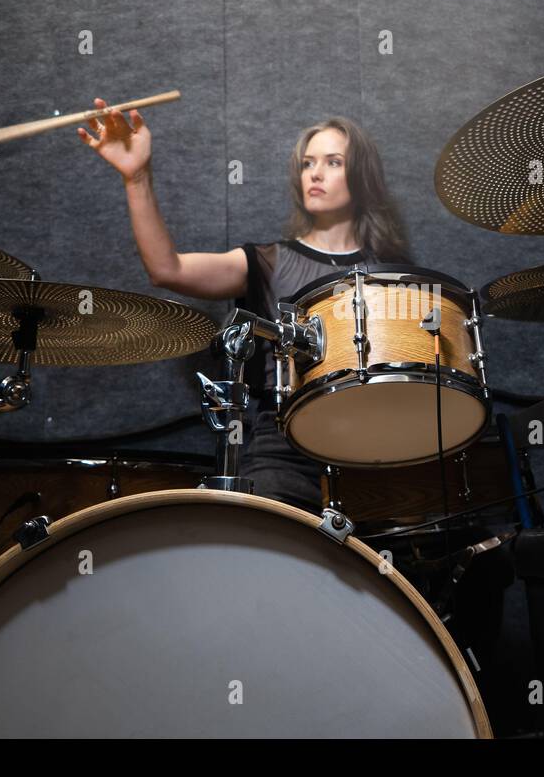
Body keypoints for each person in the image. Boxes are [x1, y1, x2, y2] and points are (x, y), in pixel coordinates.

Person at [78, 98, 411, 513]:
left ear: (361, 176)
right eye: (308, 163)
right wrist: (136, 177)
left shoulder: (394, 274)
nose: (316, 174)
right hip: (284, 441)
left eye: (333, 162)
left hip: (374, 439)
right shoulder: (268, 261)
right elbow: (167, 268)